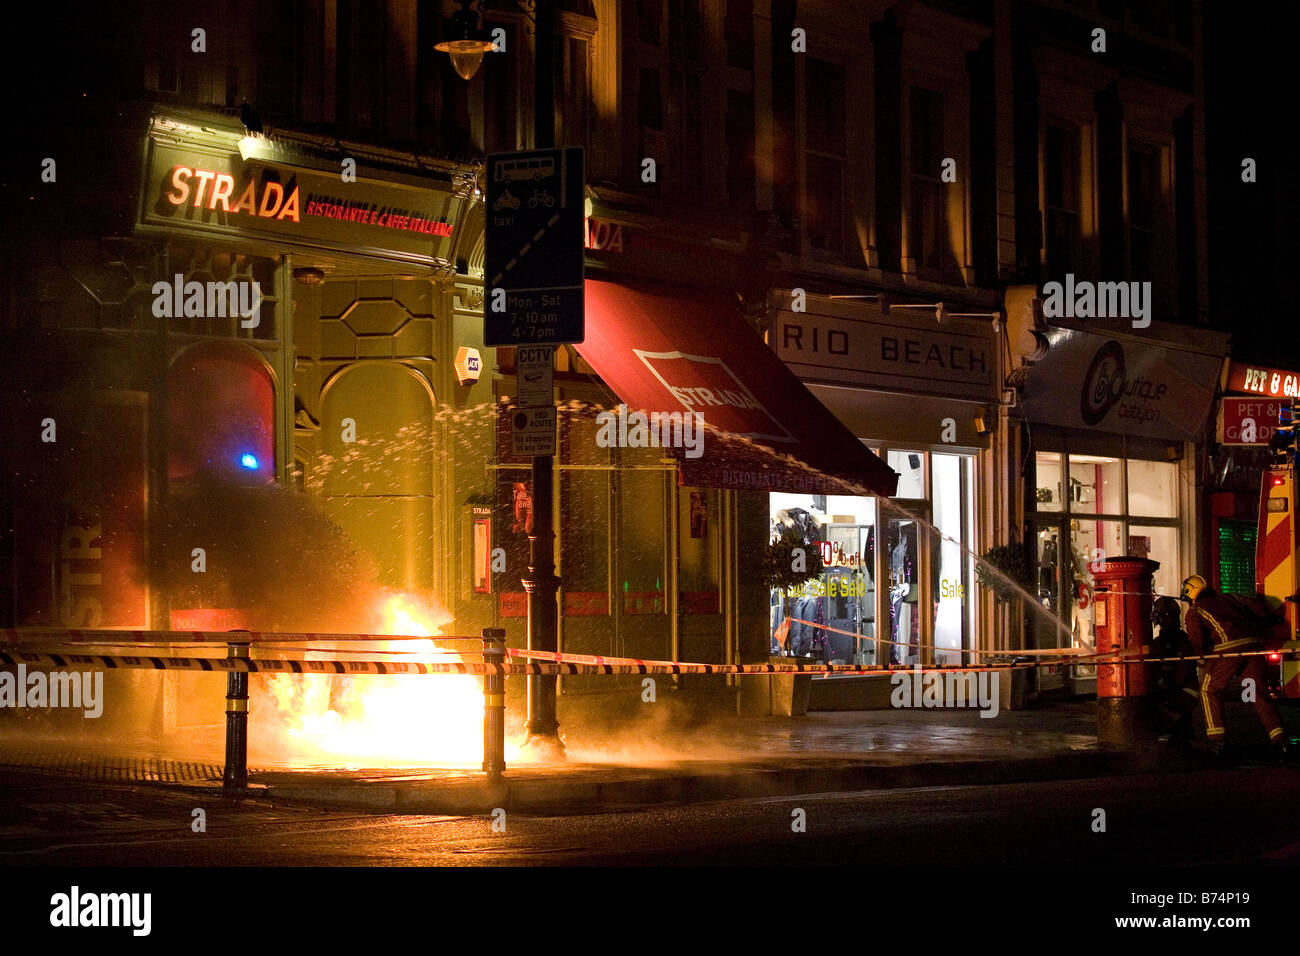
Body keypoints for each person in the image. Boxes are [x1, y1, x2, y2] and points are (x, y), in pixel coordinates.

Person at [1180, 574, 1290, 762]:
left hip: (1228, 651)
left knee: (1209, 690)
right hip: (1254, 648)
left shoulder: (1195, 611)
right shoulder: (1230, 597)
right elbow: (1257, 608)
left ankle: (1218, 743)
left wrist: (1200, 662)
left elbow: (1197, 642)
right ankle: (1280, 741)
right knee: (1256, 691)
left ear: (1190, 593)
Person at [1150, 596, 1198, 743]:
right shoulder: (1161, 642)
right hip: (1178, 689)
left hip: (1184, 690)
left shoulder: (1182, 641)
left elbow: (1183, 671)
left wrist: (1165, 685)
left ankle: (1178, 725)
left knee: (1154, 702)